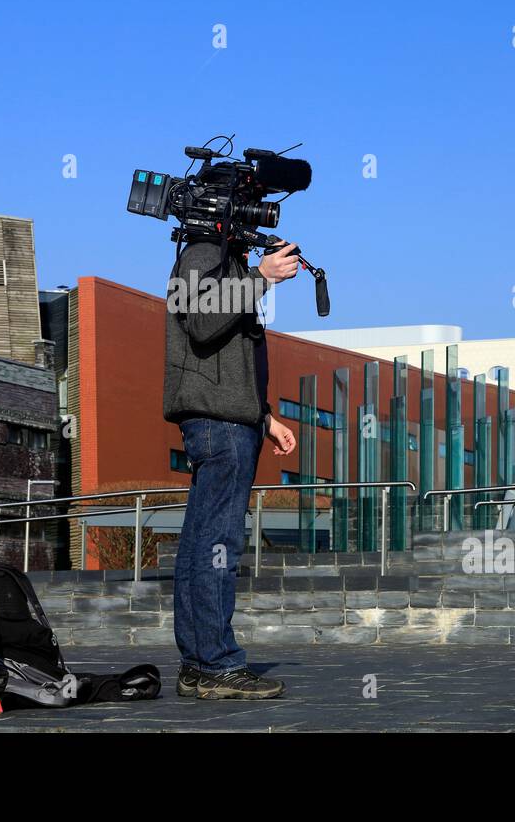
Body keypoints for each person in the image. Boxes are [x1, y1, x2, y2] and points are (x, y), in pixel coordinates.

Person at [163, 234, 300, 700]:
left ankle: (200, 665)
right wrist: (262, 277)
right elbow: (202, 324)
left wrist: (264, 417)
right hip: (218, 426)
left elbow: (226, 359)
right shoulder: (202, 256)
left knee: (205, 541)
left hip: (234, 421)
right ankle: (215, 663)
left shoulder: (224, 264)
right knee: (217, 541)